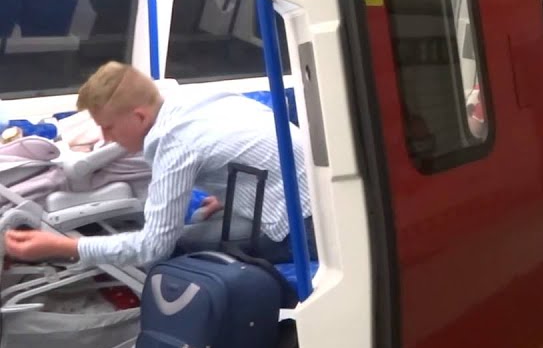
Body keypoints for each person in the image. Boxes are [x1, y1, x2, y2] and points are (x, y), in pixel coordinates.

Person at [4, 60, 315, 267]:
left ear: (139, 117)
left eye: (109, 127)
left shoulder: (173, 144)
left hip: (302, 229)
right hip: (315, 194)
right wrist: (229, 196)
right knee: (198, 221)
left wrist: (63, 246)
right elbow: (258, 150)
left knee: (178, 246)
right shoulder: (193, 101)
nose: (106, 137)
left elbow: (153, 246)